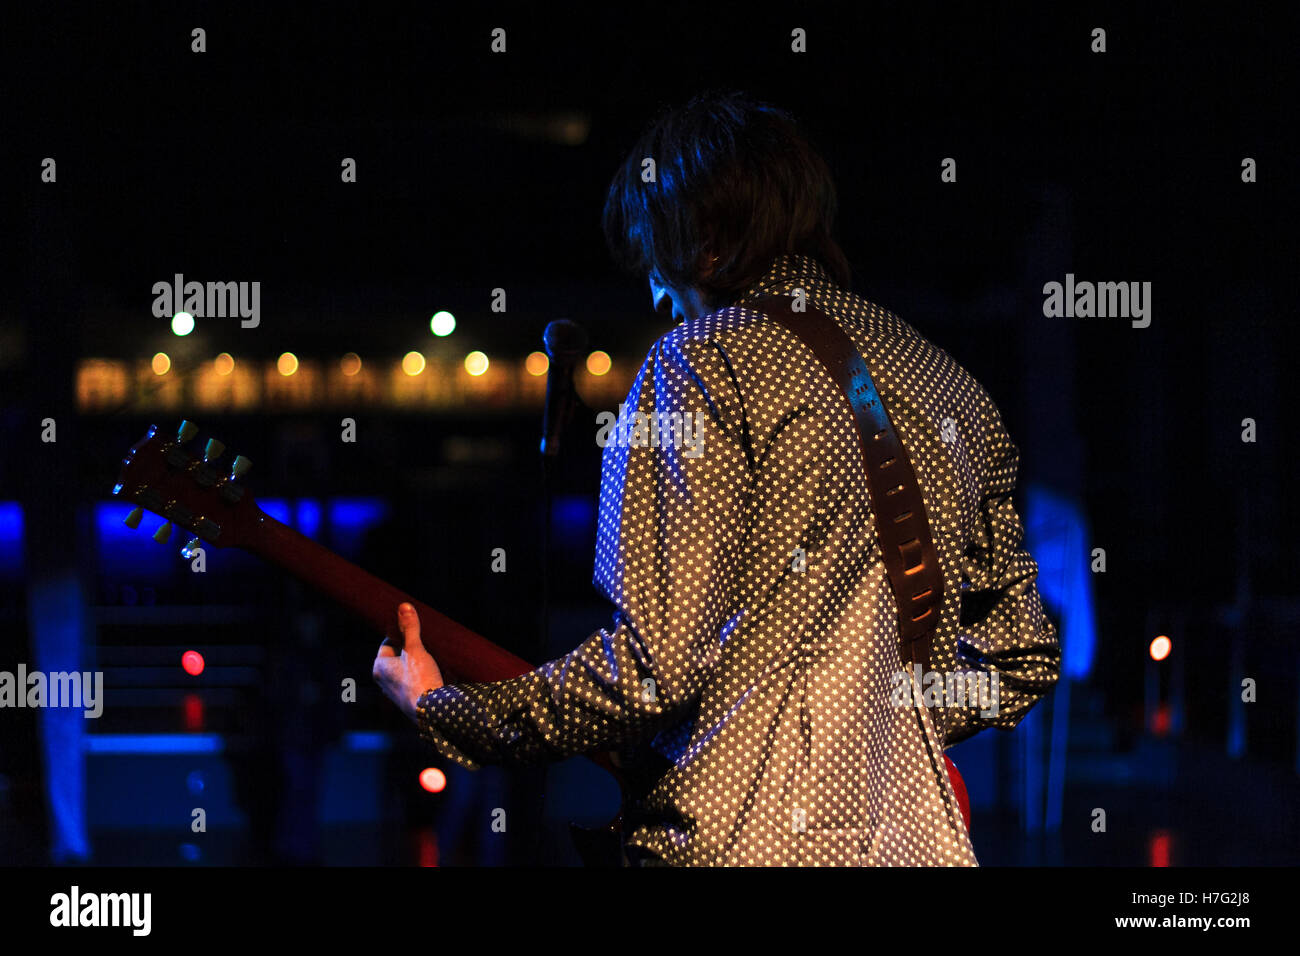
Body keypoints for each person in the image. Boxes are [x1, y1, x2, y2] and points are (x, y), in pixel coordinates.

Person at [372, 90, 1060, 866]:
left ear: (703, 242)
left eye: (653, 256)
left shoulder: (696, 363)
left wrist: (446, 708)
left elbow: (651, 669)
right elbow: (1019, 663)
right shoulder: (952, 387)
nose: (657, 296)